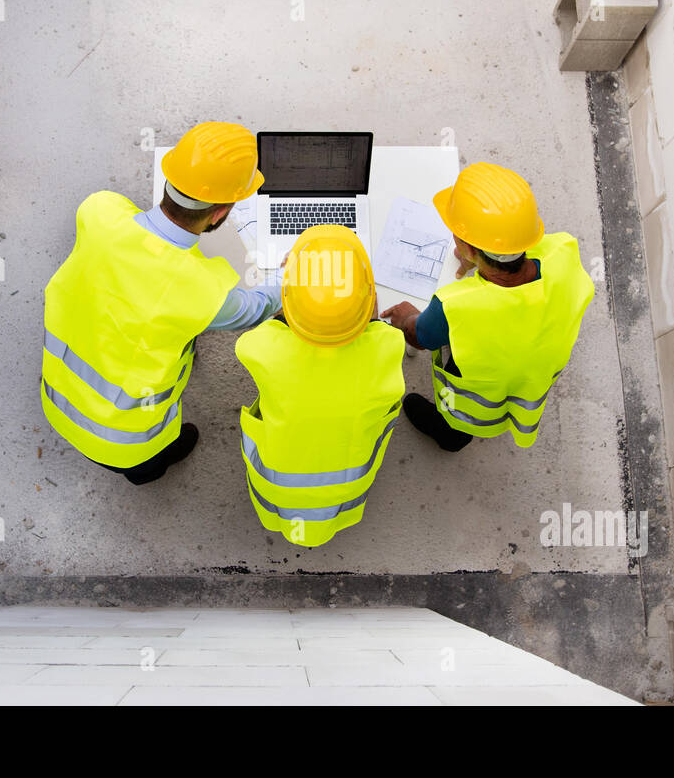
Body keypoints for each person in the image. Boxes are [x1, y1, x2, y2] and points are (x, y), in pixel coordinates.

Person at [41, 122, 282, 485]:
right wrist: (288, 275)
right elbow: (258, 307)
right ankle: (152, 467)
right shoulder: (204, 294)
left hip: (55, 401)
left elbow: (130, 231)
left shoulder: (98, 211)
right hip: (125, 442)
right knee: (145, 469)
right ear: (219, 213)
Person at [380, 162, 594, 452]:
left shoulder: (456, 307)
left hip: (481, 397)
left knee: (457, 423)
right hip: (534, 370)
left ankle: (452, 436)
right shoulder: (564, 251)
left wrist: (407, 319)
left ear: (466, 248)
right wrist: (480, 257)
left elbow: (419, 338)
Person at [235, 225, 405, 545]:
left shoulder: (261, 346)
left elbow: (268, 327)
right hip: (346, 492)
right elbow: (379, 332)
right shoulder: (388, 346)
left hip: (275, 491)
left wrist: (290, 284)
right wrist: (362, 310)